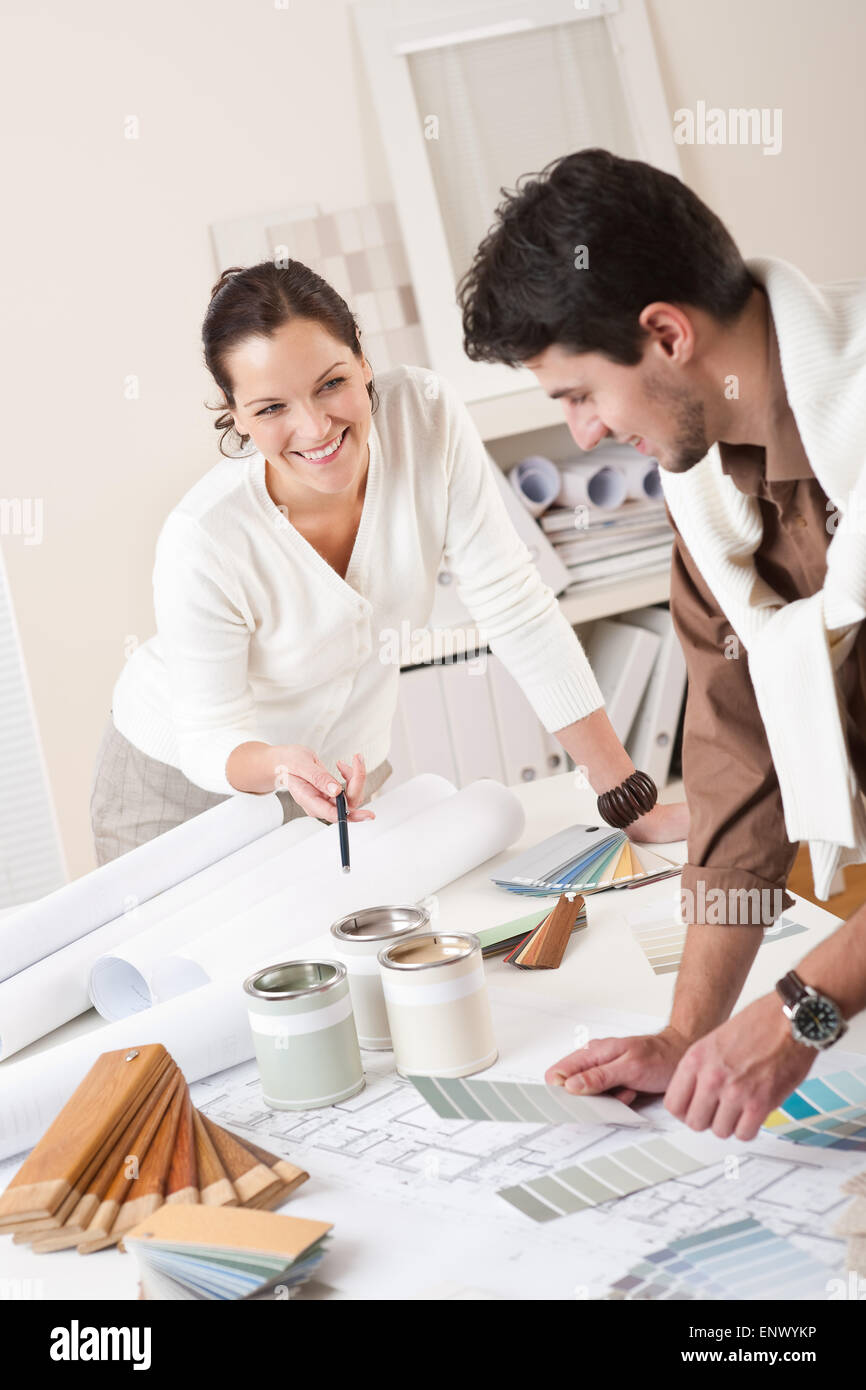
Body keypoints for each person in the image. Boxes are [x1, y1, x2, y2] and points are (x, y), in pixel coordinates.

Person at [457, 147, 866, 1136]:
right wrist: (687, 1030)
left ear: (665, 334)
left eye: (577, 394)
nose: (584, 435)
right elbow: (736, 766)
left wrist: (804, 1006)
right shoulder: (709, 498)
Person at [91, 258, 688, 864]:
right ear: (236, 412)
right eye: (271, 408)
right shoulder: (205, 537)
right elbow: (207, 734)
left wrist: (630, 802)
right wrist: (279, 765)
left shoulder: (425, 416)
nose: (315, 426)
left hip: (344, 778)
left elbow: (517, 608)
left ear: (363, 360)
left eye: (331, 383)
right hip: (176, 787)